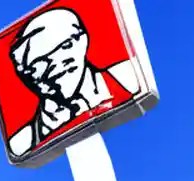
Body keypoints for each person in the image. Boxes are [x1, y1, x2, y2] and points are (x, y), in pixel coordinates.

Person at [7, 6, 140, 157]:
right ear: (26, 74)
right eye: (38, 63)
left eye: (64, 47)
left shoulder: (130, 77)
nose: (56, 64)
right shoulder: (22, 143)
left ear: (82, 41)